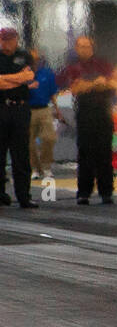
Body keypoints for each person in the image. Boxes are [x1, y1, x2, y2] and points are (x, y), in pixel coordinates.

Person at [60, 36, 117, 205]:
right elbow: (76, 88)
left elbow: (113, 83)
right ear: (77, 49)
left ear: (92, 47)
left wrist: (92, 84)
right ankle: (84, 192)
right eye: (81, 47)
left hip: (103, 113)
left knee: (105, 153)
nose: (85, 49)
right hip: (85, 113)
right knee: (85, 153)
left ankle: (106, 192)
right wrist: (97, 83)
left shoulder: (103, 64)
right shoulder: (73, 67)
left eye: (88, 46)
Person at [0, 27, 38, 207]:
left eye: (10, 39)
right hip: (2, 106)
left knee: (21, 154)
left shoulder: (24, 55)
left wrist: (7, 79)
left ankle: (24, 195)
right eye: (4, 40)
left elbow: (29, 76)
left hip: (20, 108)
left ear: (16, 39)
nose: (6, 43)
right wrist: (18, 78)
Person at [26, 47, 62, 182]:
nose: (34, 61)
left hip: (44, 108)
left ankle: (46, 166)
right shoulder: (23, 73)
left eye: (36, 59)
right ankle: (34, 168)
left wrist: (57, 109)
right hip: (27, 109)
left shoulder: (47, 73)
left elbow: (52, 92)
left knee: (49, 138)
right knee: (29, 142)